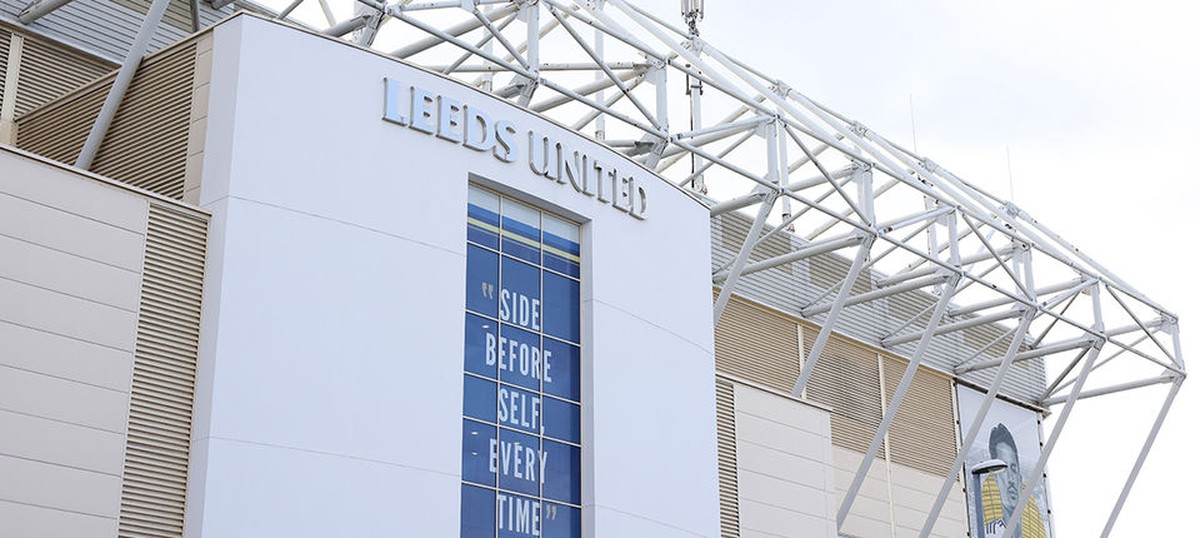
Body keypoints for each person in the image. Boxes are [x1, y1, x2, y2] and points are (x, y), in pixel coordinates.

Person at [980, 423, 1046, 538]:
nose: (1011, 479)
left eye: (1014, 469)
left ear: (1020, 479)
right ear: (995, 479)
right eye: (1003, 469)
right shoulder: (990, 534)